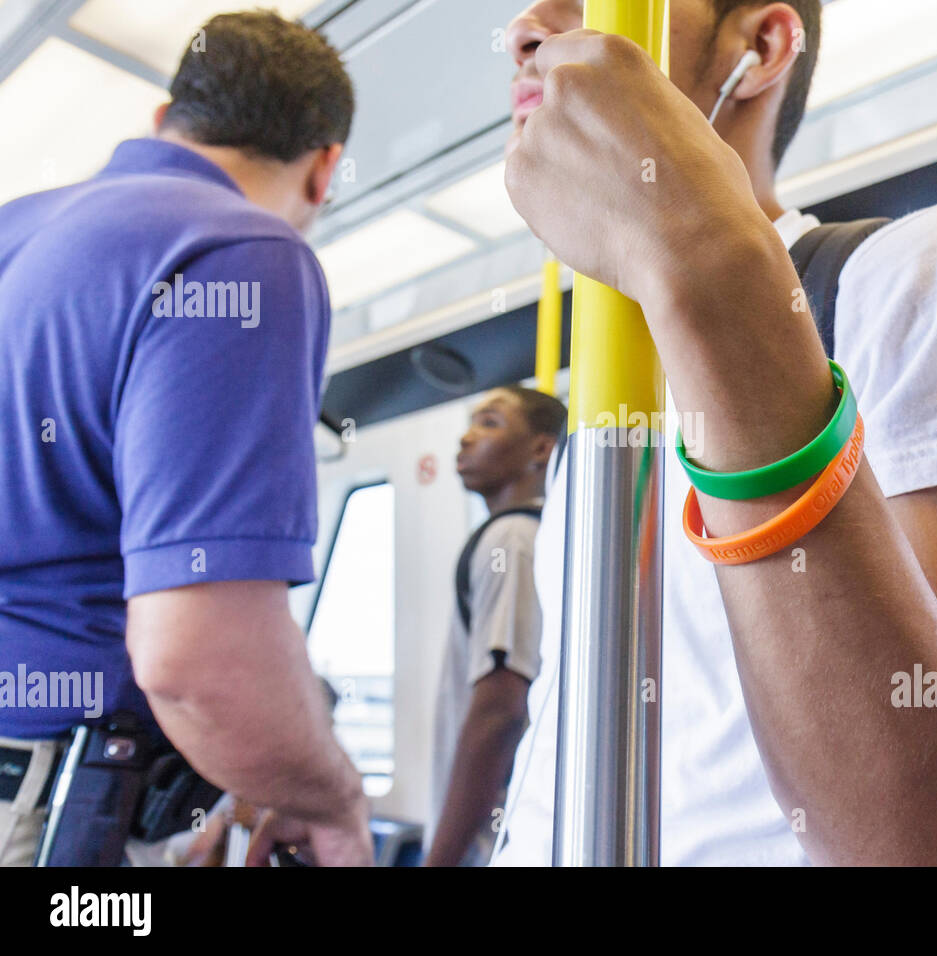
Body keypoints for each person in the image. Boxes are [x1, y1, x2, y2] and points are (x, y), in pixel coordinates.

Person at [493, 0, 937, 866]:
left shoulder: (904, 276)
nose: (527, 27)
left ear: (761, 45)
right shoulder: (600, 406)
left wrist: (696, 255)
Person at [0, 11, 370, 866]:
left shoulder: (16, 231)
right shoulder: (240, 251)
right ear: (324, 169)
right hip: (50, 809)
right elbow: (196, 661)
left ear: (164, 122)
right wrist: (329, 798)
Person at [425, 386, 566, 866]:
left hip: (488, 842)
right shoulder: (536, 536)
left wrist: (439, 859)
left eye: (489, 422)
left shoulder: (512, 540)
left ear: (541, 449)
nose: (466, 438)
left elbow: (500, 709)